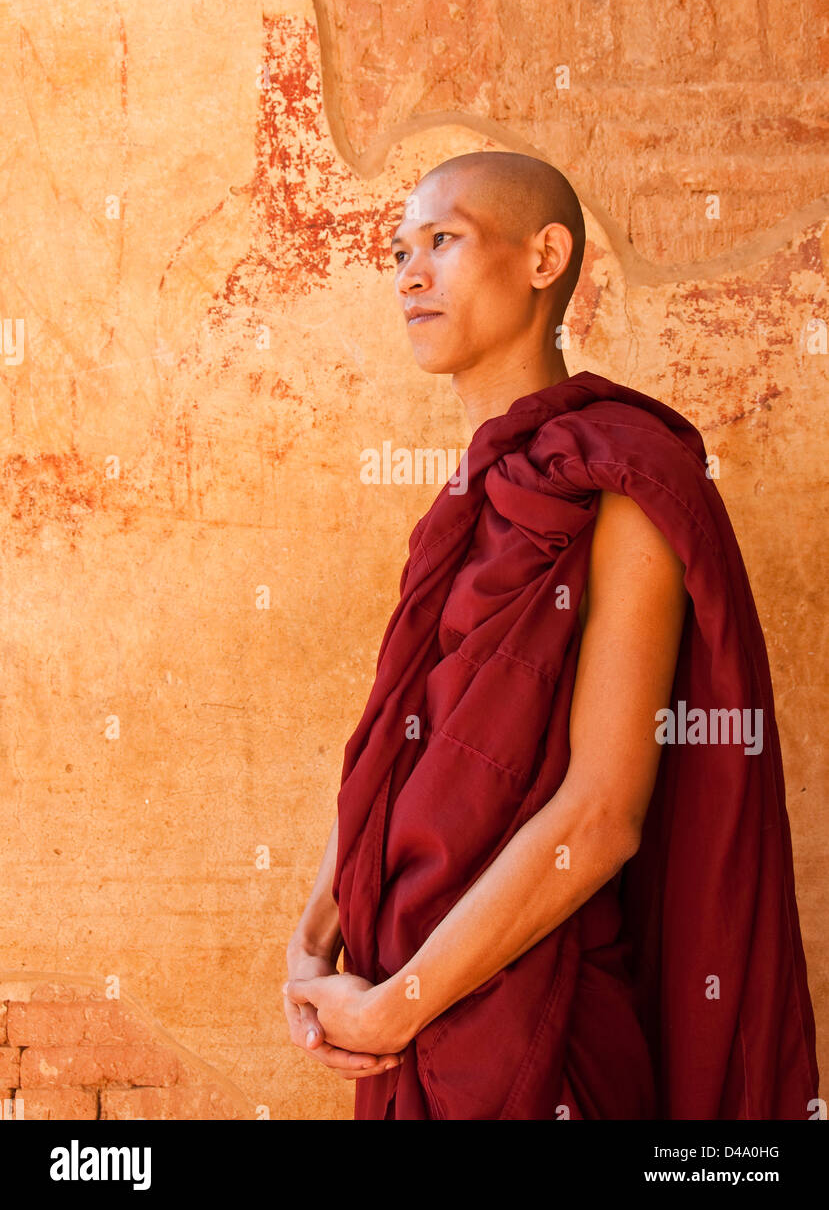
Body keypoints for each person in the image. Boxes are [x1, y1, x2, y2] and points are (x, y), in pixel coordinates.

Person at [283, 151, 819, 1120]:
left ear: (544, 256)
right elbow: (391, 749)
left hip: (537, 1016)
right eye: (399, 251)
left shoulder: (620, 481)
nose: (408, 273)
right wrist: (312, 941)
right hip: (401, 1004)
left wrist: (398, 1007)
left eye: (442, 240)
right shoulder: (465, 507)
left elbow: (600, 816)